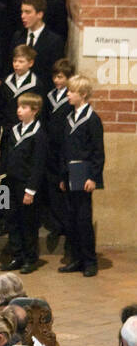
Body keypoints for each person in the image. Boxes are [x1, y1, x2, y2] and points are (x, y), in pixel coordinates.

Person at [58, 74, 104, 279]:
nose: (67, 94)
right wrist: (62, 175)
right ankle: (76, 258)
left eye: (71, 91)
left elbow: (98, 152)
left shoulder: (92, 119)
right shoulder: (70, 117)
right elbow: (65, 148)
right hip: (70, 172)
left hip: (84, 173)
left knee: (83, 219)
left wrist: (93, 177)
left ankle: (89, 261)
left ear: (83, 95)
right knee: (71, 219)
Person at [0, 92, 46, 275]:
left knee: (28, 223)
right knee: (12, 220)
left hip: (26, 186)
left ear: (35, 110)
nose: (19, 110)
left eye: (24, 107)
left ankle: (30, 258)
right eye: (19, 107)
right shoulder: (13, 130)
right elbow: (6, 158)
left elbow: (38, 164)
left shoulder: (39, 134)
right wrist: (1, 183)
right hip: (10, 183)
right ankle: (16, 255)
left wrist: (31, 190)